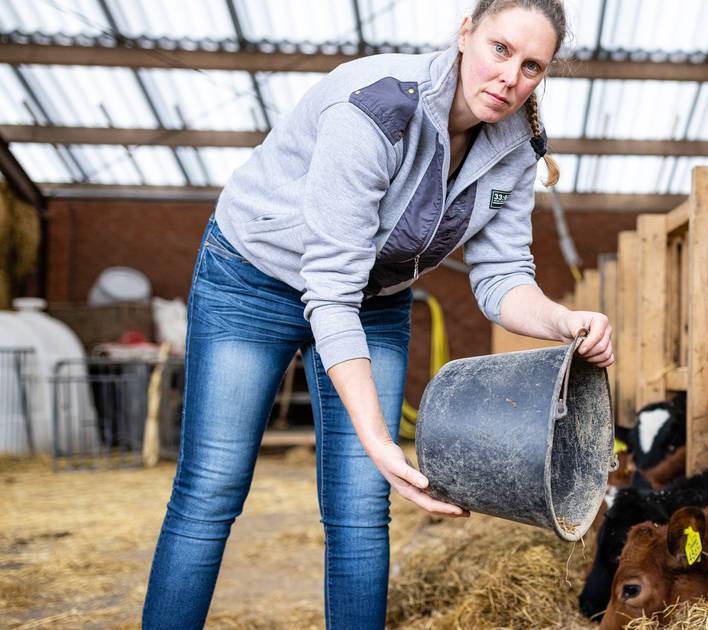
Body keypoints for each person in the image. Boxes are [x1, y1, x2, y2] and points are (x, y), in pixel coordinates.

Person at [141, 1, 611, 627]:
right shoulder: (377, 108)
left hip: (375, 295)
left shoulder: (516, 148)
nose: (510, 77)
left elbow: (500, 277)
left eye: (532, 66)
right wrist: (378, 440)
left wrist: (563, 321)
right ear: (466, 34)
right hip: (254, 277)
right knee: (213, 489)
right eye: (500, 49)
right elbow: (329, 289)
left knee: (362, 505)